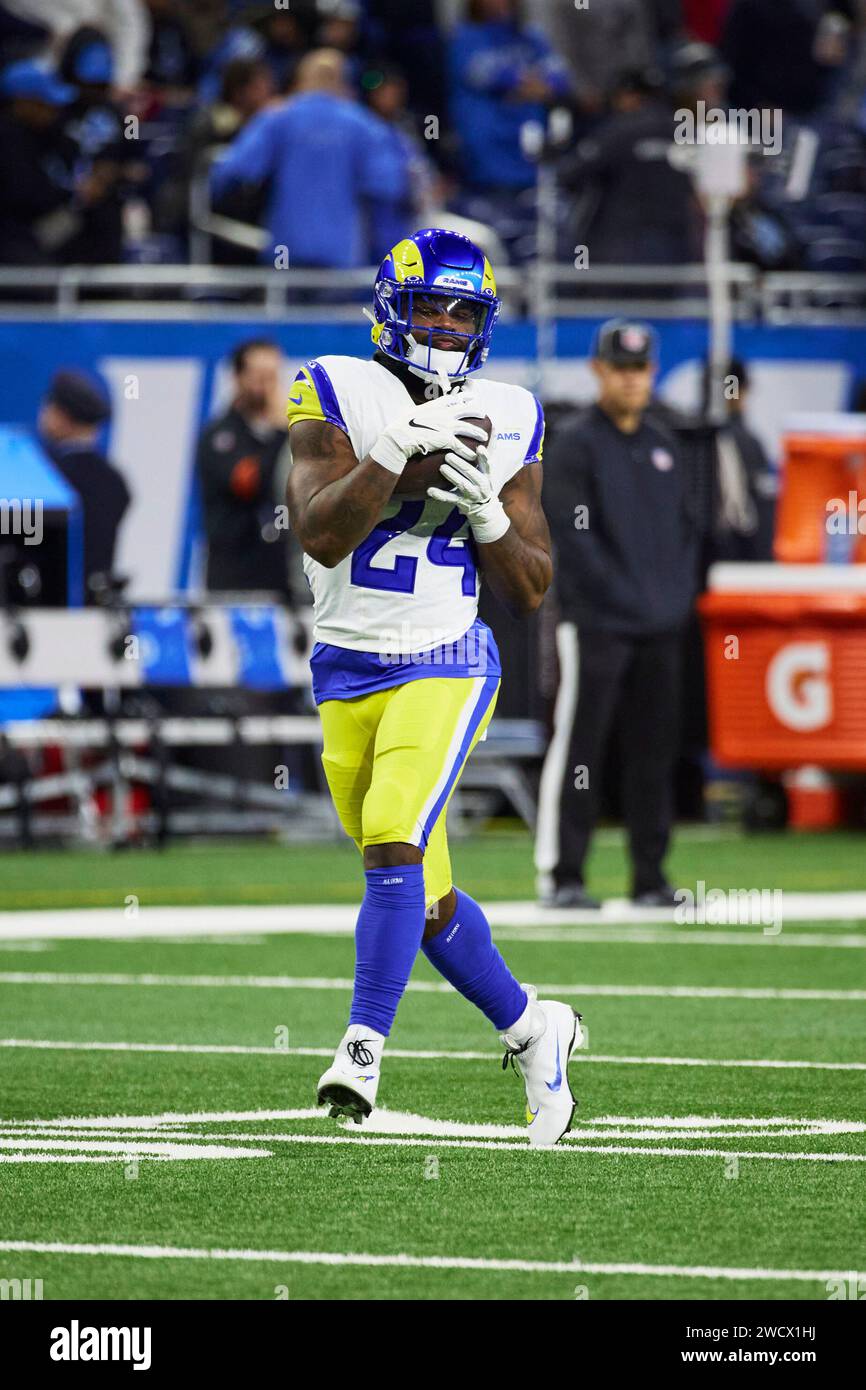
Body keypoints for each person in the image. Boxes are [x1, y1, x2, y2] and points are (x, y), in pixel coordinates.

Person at [286, 227, 583, 1146]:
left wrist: (490, 510)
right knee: (422, 900)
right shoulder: (333, 385)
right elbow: (319, 533)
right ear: (390, 308)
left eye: (467, 310)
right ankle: (538, 1030)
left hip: (448, 658)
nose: (449, 325)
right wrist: (391, 457)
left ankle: (361, 1052)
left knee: (389, 843)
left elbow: (531, 585)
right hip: (345, 666)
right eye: (432, 306)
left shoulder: (510, 410)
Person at [536, 319, 697, 909]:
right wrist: (624, 597)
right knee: (581, 749)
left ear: (651, 372)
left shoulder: (663, 443)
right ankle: (564, 876)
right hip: (597, 624)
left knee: (654, 752)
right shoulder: (576, 443)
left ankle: (650, 879)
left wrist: (671, 600)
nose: (632, 379)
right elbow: (573, 541)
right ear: (599, 370)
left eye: (641, 368)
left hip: (659, 625)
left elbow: (686, 532)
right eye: (621, 368)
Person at [210, 48, 408, 268]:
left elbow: (233, 171)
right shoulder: (364, 125)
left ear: (301, 80)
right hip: (341, 256)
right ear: (342, 81)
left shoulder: (277, 118)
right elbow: (388, 186)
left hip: (286, 253)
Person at [196, 338, 289, 594]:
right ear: (238, 377)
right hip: (235, 574)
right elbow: (249, 483)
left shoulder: (291, 435)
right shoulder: (221, 436)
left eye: (272, 376)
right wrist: (280, 430)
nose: (266, 385)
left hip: (281, 573)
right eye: (258, 375)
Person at [37, 368, 130, 598]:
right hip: (95, 601)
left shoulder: (49, 477)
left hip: (47, 602)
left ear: (63, 417)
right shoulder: (114, 481)